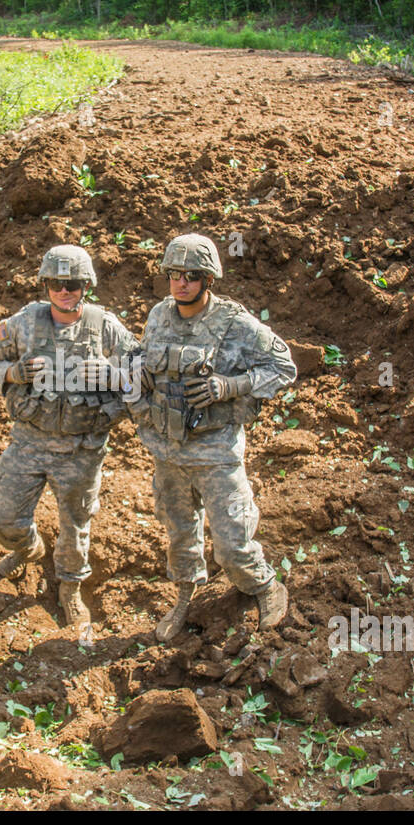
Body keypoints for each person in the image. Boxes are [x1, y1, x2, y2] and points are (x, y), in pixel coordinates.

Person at [132, 233, 297, 641]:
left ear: (208, 279)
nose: (180, 283)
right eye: (174, 274)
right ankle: (186, 595)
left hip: (216, 451)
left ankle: (264, 586)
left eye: (191, 275)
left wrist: (230, 387)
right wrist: (139, 382)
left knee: (231, 542)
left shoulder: (234, 323)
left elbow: (284, 367)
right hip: (168, 452)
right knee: (179, 533)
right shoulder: (159, 316)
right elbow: (142, 358)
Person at [0, 245, 140, 633]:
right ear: (45, 284)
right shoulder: (21, 324)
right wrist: (15, 373)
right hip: (30, 442)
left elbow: (143, 372)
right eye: (55, 283)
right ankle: (30, 550)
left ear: (86, 285)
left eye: (72, 284)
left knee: (75, 523)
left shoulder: (106, 327)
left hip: (81, 448)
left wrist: (110, 374)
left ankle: (70, 586)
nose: (63, 291)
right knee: (1, 517)